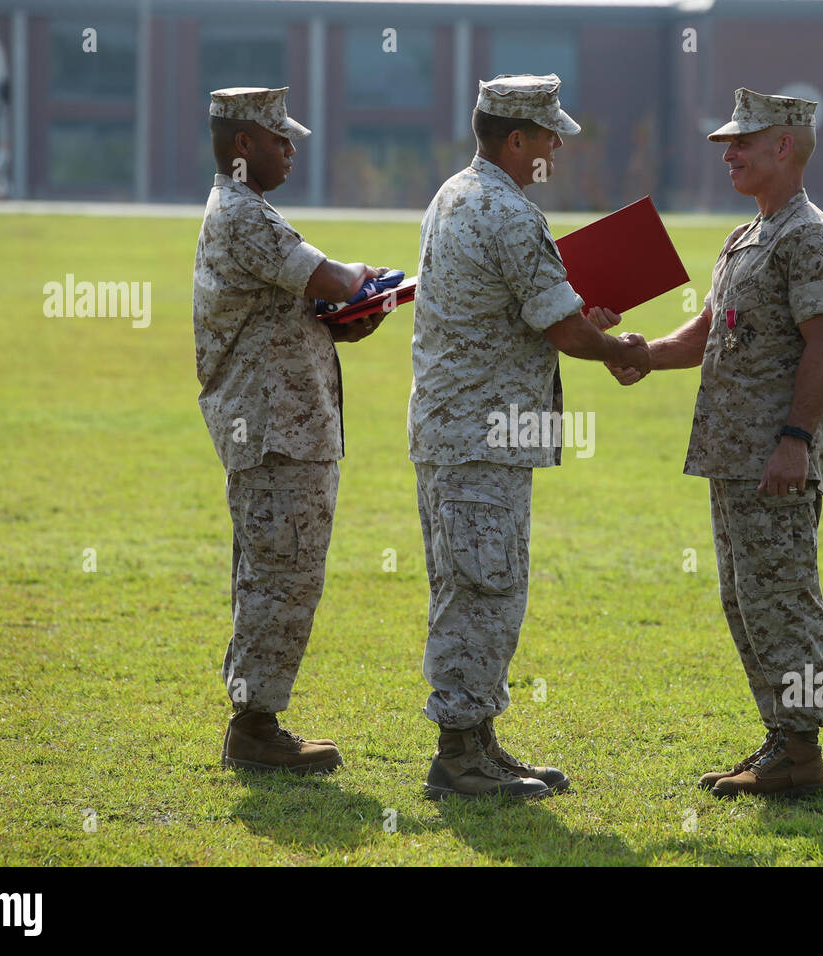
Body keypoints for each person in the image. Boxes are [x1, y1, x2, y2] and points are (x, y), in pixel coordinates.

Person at [607, 89, 823, 798]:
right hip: (733, 454)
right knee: (746, 597)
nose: (729, 151)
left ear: (785, 145)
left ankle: (802, 751)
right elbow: (711, 328)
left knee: (782, 595)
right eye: (726, 141)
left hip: (773, 457)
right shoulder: (750, 236)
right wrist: (643, 354)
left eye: (743, 141)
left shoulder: (809, 238)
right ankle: (782, 740)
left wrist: (794, 441)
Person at [409, 73, 652, 800]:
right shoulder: (508, 212)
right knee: (480, 590)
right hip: (480, 438)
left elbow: (537, 312)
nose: (556, 147)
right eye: (549, 135)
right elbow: (562, 327)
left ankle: (479, 741)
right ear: (515, 138)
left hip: (467, 433)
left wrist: (580, 322)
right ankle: (457, 756)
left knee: (483, 586)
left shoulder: (457, 192)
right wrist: (617, 346)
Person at [192, 86, 386, 774]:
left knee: (276, 570)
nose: (291, 151)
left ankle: (258, 720)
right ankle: (255, 729)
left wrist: (351, 310)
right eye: (280, 140)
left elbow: (305, 303)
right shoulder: (245, 215)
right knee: (282, 572)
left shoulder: (249, 212)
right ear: (243, 145)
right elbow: (328, 276)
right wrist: (370, 280)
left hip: (281, 427)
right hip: (274, 432)